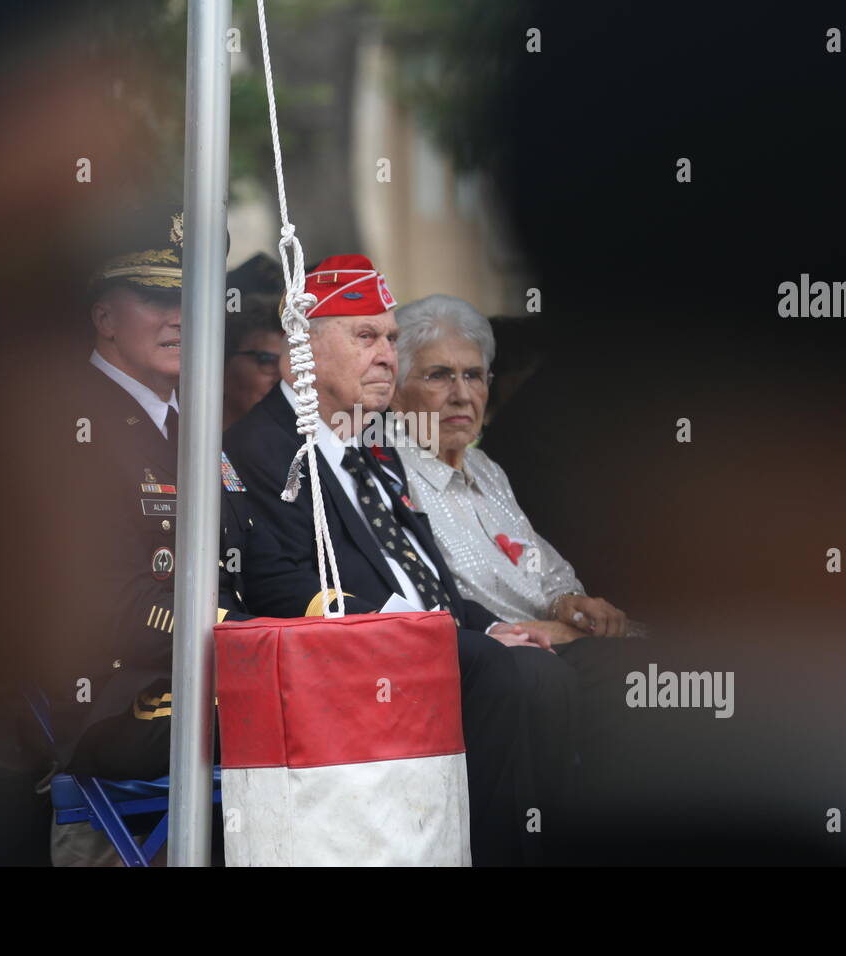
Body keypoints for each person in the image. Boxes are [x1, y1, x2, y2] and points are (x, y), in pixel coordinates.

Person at [224, 255, 580, 865]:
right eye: (366, 337)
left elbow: (425, 576)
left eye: (390, 338)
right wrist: (441, 636)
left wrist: (492, 625)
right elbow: (278, 585)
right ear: (302, 347)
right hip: (352, 661)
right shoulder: (259, 446)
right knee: (516, 676)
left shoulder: (375, 445)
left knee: (581, 666)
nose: (388, 355)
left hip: (424, 643)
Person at [42, 210, 267, 863]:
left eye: (191, 299)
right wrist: (241, 633)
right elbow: (100, 607)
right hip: (108, 698)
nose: (180, 317)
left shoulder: (191, 423)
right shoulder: (68, 425)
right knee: (310, 713)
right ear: (104, 316)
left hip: (209, 667)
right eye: (157, 298)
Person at [391, 294, 632, 639]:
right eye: (439, 376)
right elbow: (430, 614)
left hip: (562, 650)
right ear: (395, 393)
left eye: (473, 375)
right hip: (499, 666)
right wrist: (547, 631)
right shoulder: (388, 475)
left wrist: (566, 603)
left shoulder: (485, 467)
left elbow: (546, 569)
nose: (462, 394)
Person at [222, 292, 284, 428]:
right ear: (223, 365)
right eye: (267, 360)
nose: (283, 379)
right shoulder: (180, 438)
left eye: (293, 366)